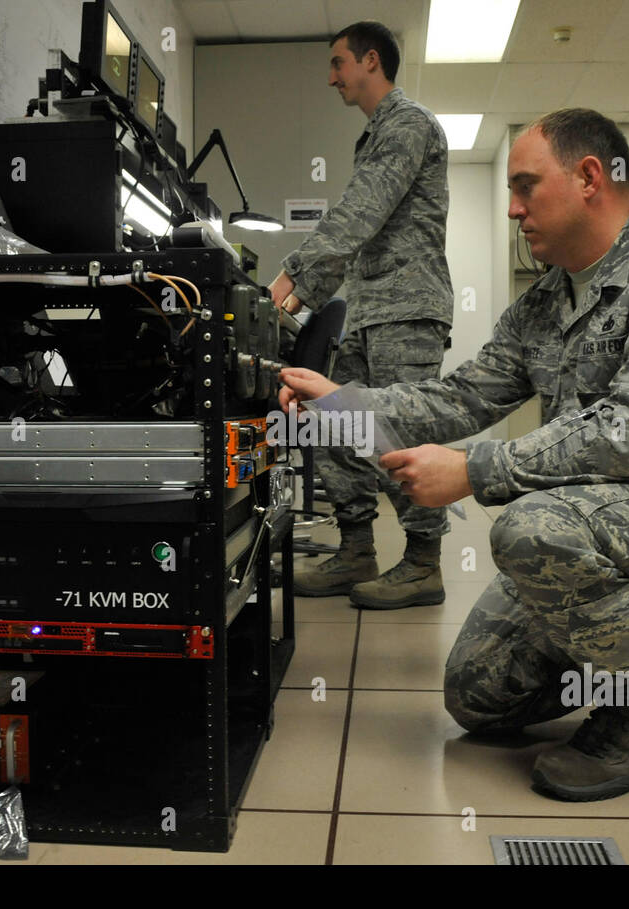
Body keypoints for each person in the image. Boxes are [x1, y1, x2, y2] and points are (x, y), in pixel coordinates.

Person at [277, 108, 629, 801]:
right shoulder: (543, 304)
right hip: (607, 519)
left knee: (530, 526)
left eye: (525, 187)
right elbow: (458, 399)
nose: (513, 208)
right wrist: (342, 403)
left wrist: (474, 471)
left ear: (589, 178)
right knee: (479, 696)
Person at [267, 21, 454, 611]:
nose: (331, 78)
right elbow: (361, 229)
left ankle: (424, 563)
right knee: (335, 423)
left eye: (338, 63)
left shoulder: (409, 124)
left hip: (409, 310)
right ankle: (356, 550)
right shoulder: (376, 134)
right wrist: (300, 296)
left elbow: (360, 212)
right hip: (371, 310)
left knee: (401, 434)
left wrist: (292, 279)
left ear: (371, 61)